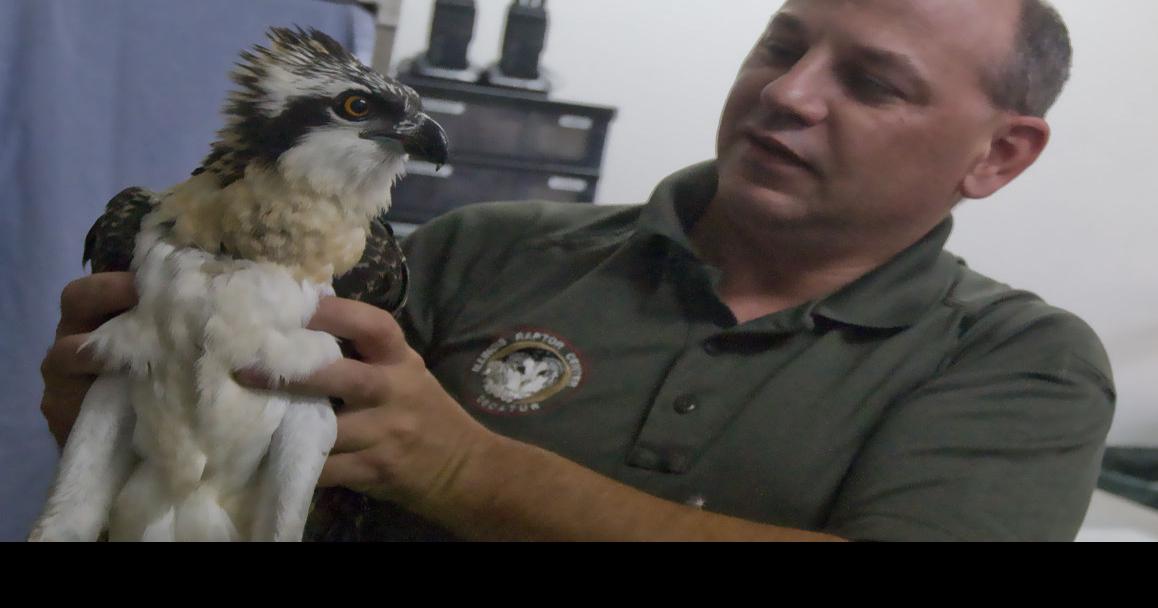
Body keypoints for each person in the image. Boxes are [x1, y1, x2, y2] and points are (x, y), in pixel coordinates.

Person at [39, 0, 1114, 541]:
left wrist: (470, 469)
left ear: (998, 153)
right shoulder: (485, 245)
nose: (789, 95)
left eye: (873, 83)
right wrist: (148, 414)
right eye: (783, 47)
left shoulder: (1023, 361)